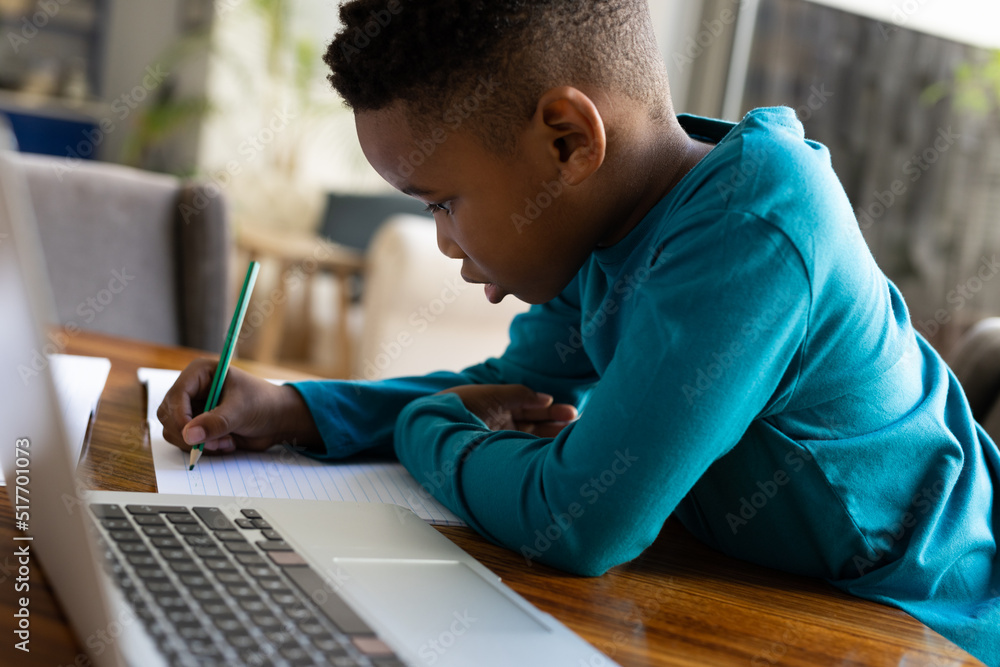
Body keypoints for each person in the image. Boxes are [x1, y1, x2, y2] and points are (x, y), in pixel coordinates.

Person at [157, 1, 999, 662]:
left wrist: (427, 430)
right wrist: (297, 408)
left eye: (443, 202)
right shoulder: (614, 222)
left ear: (568, 140)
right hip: (778, 595)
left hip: (932, 624)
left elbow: (579, 524)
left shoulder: (752, 228)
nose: (444, 240)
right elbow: (513, 390)